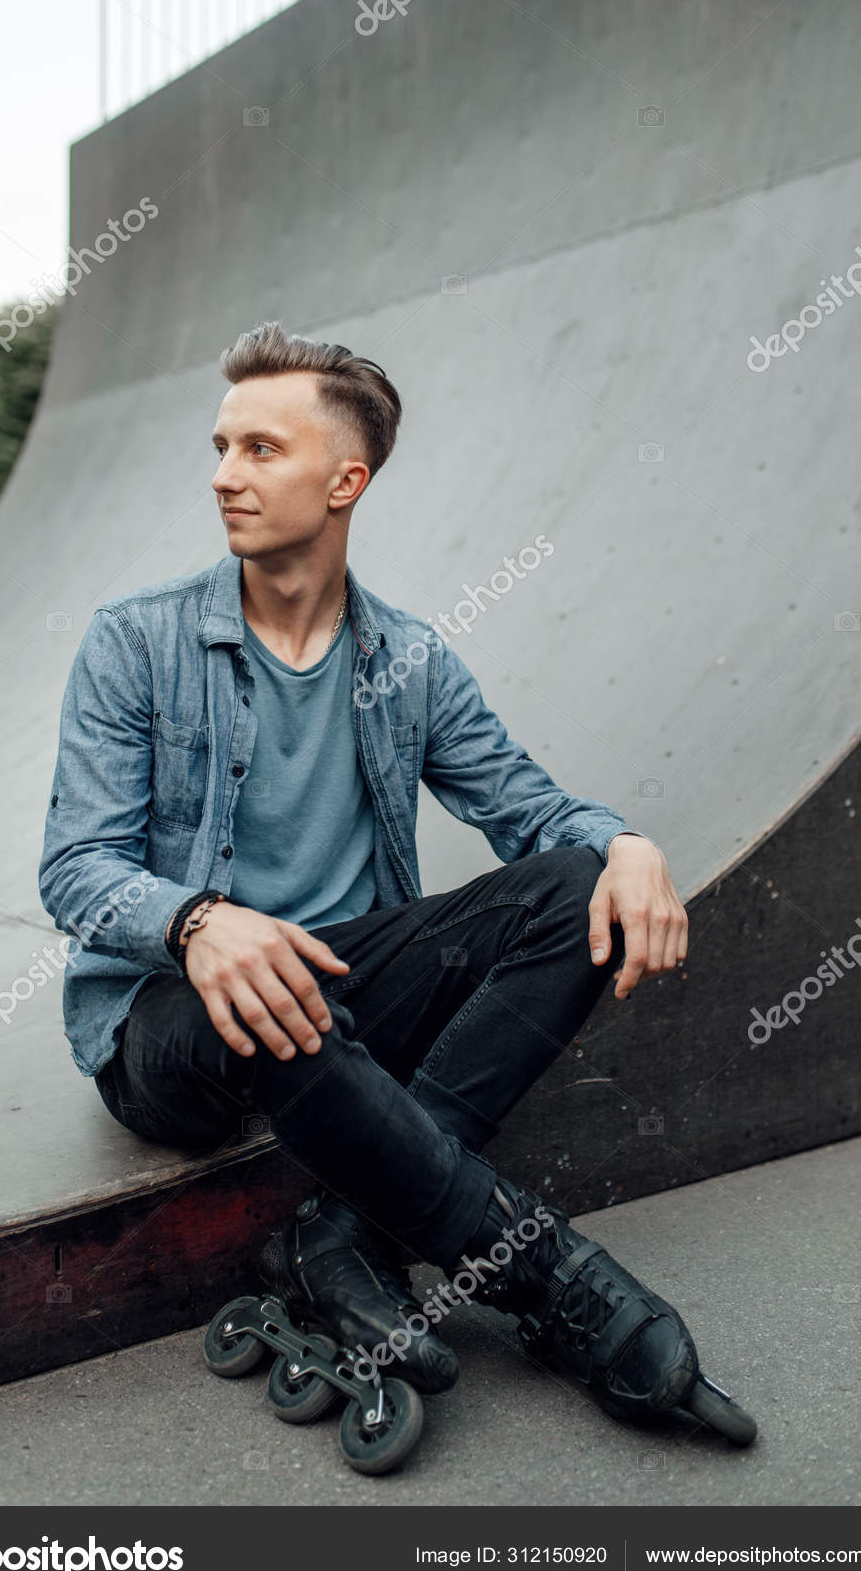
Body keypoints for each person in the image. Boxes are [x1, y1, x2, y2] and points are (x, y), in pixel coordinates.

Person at [39, 322, 705, 1429]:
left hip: (342, 989)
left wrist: (627, 844)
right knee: (273, 993)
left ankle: (343, 1223)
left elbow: (533, 811)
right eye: (220, 445)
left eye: (261, 449)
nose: (223, 474)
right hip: (171, 1022)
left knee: (576, 881)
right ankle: (552, 1281)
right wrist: (202, 921)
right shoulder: (135, 641)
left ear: (345, 480)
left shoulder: (410, 658)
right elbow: (76, 867)